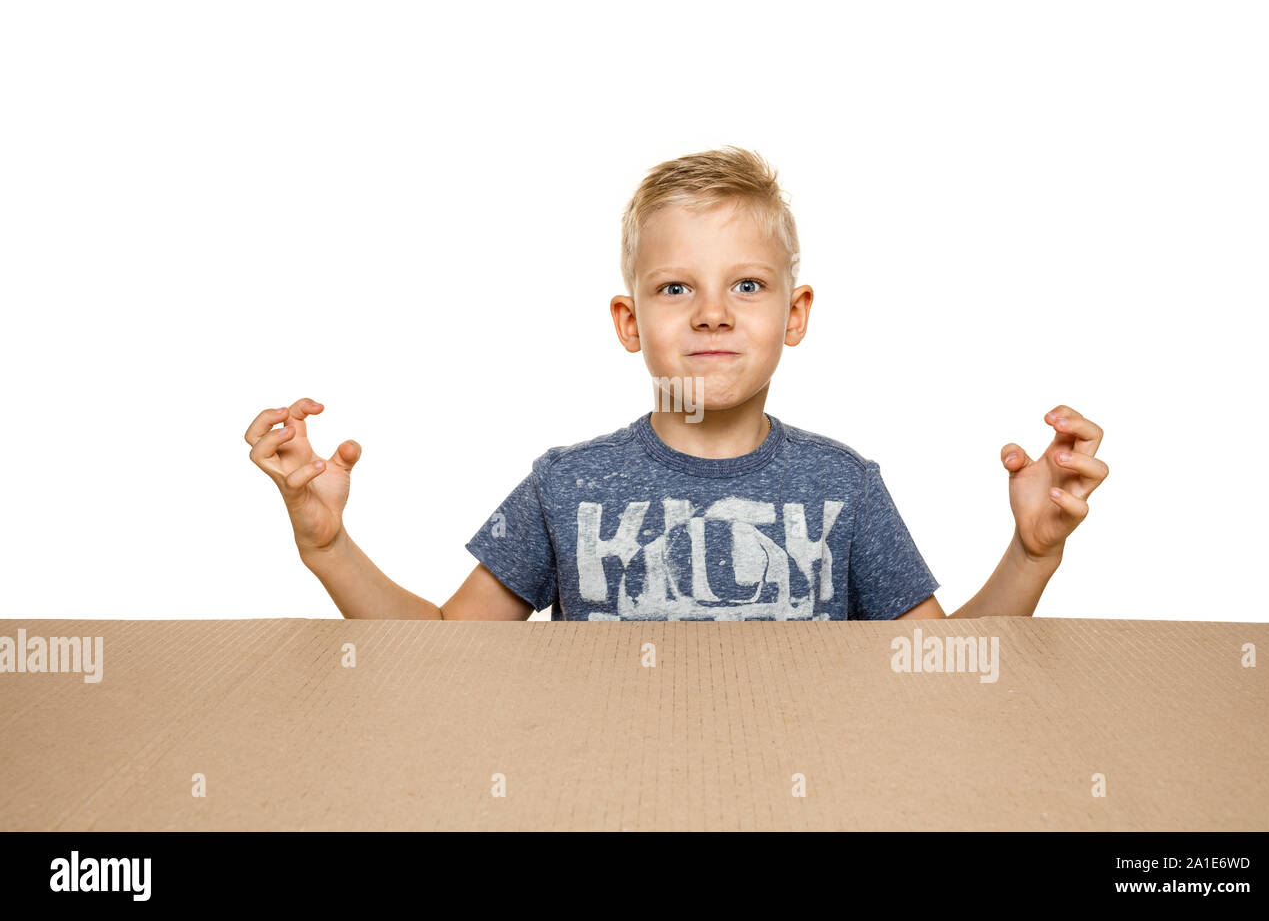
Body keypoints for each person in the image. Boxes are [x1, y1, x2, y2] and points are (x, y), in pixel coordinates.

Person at [245, 147, 1108, 621]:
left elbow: (945, 675)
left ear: (794, 313)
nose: (711, 314)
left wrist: (1033, 554)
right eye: (674, 288)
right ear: (630, 323)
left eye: (746, 285)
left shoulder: (844, 488)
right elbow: (443, 657)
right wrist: (328, 547)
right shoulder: (567, 486)